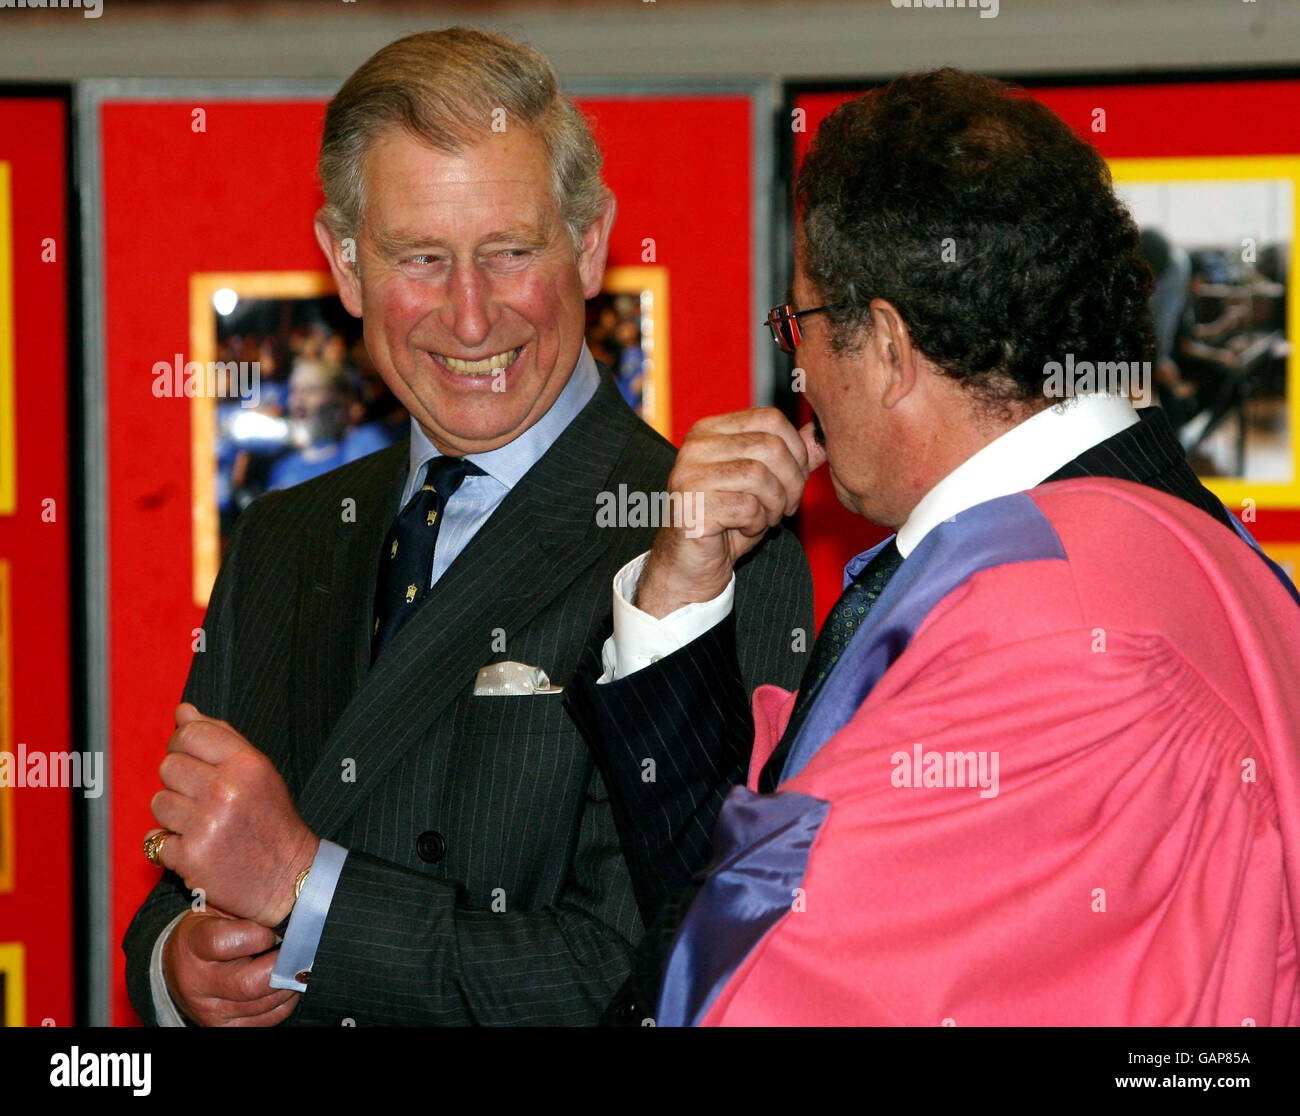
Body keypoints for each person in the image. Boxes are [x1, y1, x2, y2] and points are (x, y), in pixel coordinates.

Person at [567, 68, 1300, 1026]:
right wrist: (678, 601)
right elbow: (752, 894)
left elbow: (759, 987)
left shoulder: (1057, 635)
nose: (798, 371)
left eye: (800, 324)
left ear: (884, 344)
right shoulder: (1155, 548)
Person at [123, 27, 811, 1027]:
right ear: (345, 264)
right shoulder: (284, 535)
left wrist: (304, 887)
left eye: (509, 253)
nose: (472, 316)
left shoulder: (709, 542)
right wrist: (181, 970)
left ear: (589, 244)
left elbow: (645, 974)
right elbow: (186, 873)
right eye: (421, 259)